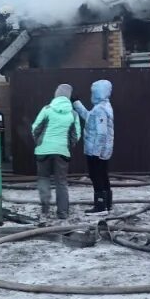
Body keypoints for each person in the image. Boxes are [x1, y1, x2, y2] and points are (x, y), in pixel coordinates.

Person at [31, 84, 81, 222]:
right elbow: (76, 135)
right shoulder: (73, 114)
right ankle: (62, 212)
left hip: (43, 150)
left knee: (44, 178)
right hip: (62, 151)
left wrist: (39, 142)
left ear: (56, 94)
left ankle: (45, 208)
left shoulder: (47, 109)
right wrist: (67, 146)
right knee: (61, 182)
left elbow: (35, 127)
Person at [73, 80, 115, 216]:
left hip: (96, 151)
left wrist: (96, 153)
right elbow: (89, 117)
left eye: (93, 92)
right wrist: (77, 104)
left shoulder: (100, 109)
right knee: (102, 175)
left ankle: (100, 206)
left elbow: (102, 133)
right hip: (102, 150)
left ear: (98, 93)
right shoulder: (102, 107)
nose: (92, 95)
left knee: (96, 175)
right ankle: (107, 204)